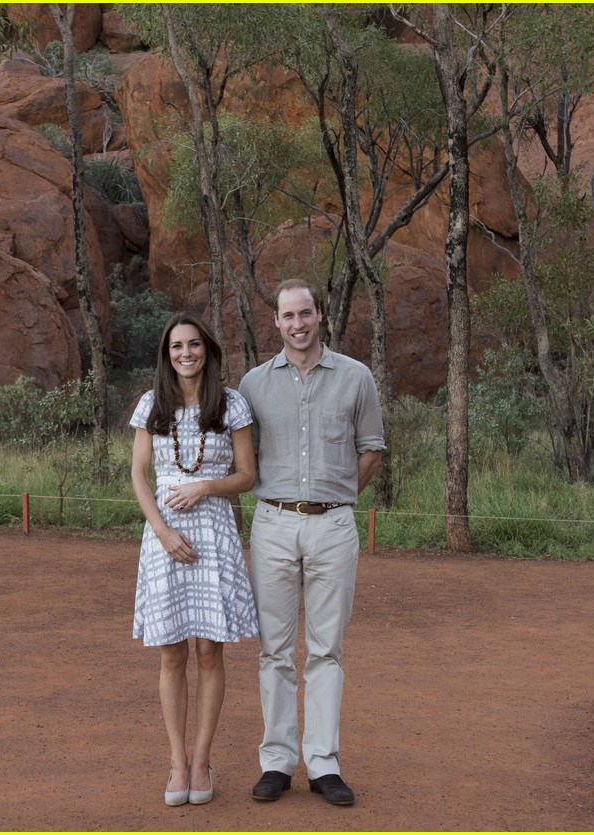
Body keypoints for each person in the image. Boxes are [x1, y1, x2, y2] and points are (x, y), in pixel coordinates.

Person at [238, 279, 385, 807]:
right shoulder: (253, 385)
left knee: (327, 649)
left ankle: (323, 763)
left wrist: (338, 497)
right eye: (287, 316)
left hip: (333, 527)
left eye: (305, 313)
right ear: (275, 322)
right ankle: (276, 761)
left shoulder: (356, 378)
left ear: (321, 315)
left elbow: (371, 448)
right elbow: (241, 459)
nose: (297, 324)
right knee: (274, 649)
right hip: (272, 523)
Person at [130, 311, 258, 807]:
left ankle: (203, 761)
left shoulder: (231, 405)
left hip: (214, 534)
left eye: (194, 345)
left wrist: (206, 486)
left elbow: (247, 474)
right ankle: (177, 761)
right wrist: (161, 531)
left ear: (208, 350)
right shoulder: (150, 405)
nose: (186, 353)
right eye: (177, 346)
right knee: (171, 652)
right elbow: (140, 477)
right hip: (164, 539)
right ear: (167, 354)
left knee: (209, 651)